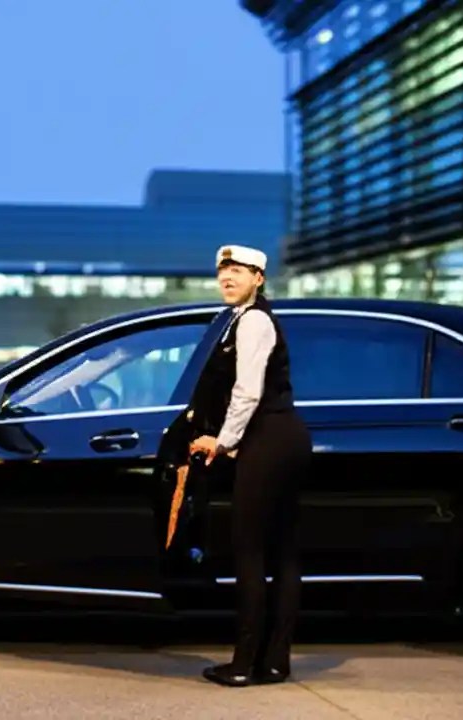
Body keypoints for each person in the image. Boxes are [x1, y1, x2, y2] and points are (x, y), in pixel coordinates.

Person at [185, 244, 311, 688]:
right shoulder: (243, 320)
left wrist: (222, 442)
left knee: (250, 550)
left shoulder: (254, 321)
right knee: (283, 551)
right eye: (223, 272)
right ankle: (276, 661)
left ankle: (243, 664)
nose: (227, 279)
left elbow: (247, 391)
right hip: (282, 436)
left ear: (259, 277)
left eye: (238, 271)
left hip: (268, 437)